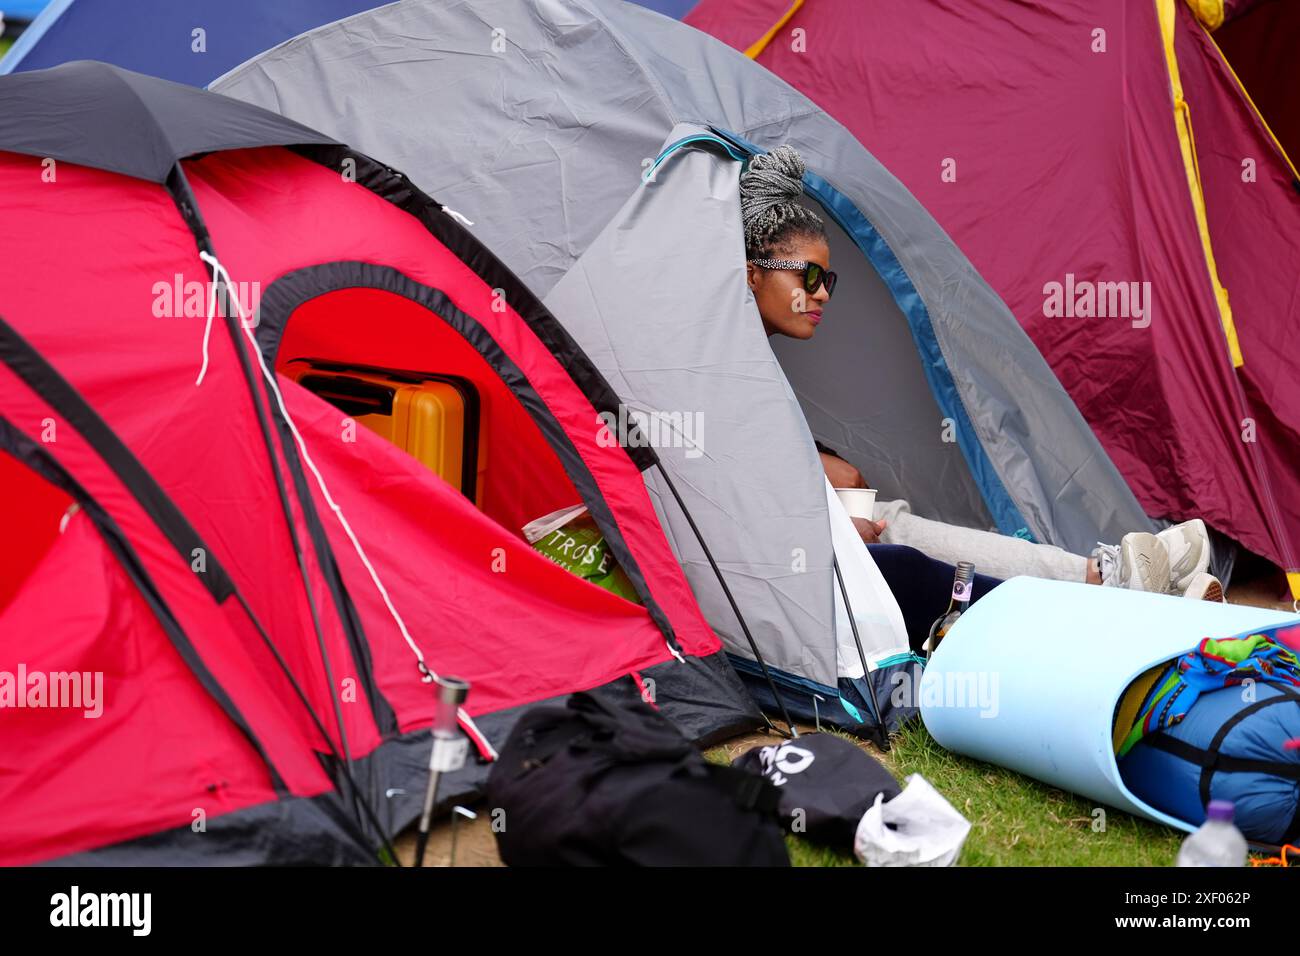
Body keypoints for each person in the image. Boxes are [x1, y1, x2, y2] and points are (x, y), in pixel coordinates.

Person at [738, 145, 1223, 603]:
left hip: (795, 515)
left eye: (828, 280)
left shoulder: (748, 349)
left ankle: (1115, 580)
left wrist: (832, 485)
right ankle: (1108, 581)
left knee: (888, 520)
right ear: (752, 272)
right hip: (768, 542)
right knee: (895, 533)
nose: (822, 293)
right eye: (808, 276)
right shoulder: (716, 361)